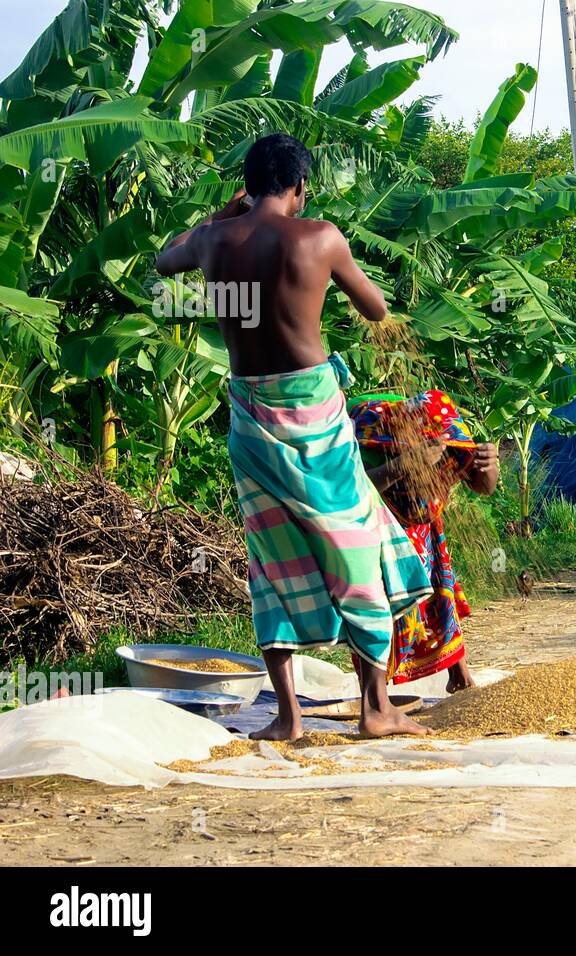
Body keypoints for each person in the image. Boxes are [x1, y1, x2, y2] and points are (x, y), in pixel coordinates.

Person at [156, 133, 433, 741]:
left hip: (251, 418)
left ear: (247, 186)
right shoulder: (320, 237)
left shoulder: (212, 241)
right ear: (300, 187)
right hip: (315, 415)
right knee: (355, 543)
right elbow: (377, 309)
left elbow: (163, 261)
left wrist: (220, 217)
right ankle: (375, 708)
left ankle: (288, 716)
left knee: (272, 557)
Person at [347, 390, 498, 694]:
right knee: (381, 612)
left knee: (439, 600)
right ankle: (374, 698)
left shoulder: (448, 442)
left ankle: (459, 675)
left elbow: (485, 487)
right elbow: (352, 490)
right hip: (380, 533)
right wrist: (405, 464)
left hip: (424, 533)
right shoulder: (367, 443)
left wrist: (489, 465)